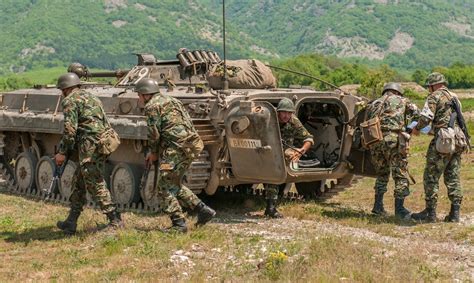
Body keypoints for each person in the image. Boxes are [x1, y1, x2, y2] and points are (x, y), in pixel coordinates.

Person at [136, 78, 216, 233]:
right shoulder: (172, 100)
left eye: (139, 95)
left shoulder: (152, 106)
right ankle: (203, 210)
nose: (139, 98)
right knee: (174, 183)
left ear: (146, 94)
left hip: (174, 151)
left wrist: (152, 153)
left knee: (163, 188)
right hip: (191, 146)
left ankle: (179, 224)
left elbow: (153, 134)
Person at [55, 73, 123, 235]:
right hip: (102, 143)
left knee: (94, 182)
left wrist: (62, 152)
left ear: (66, 89)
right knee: (79, 182)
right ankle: (71, 222)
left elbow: (70, 131)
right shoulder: (92, 97)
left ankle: (115, 219)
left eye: (61, 90)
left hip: (89, 147)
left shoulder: (70, 100)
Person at [411, 72, 466, 222]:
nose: (429, 89)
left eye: (429, 86)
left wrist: (417, 128)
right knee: (453, 176)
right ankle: (455, 214)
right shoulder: (455, 96)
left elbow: (426, 117)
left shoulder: (434, 96)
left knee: (431, 176)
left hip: (443, 141)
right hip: (457, 139)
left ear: (433, 85)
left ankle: (430, 213)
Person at [367, 83, 419, 219]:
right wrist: (409, 129)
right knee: (400, 174)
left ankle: (377, 207)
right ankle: (399, 209)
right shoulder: (403, 101)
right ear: (398, 92)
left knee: (381, 174)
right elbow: (418, 114)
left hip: (374, 141)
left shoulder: (374, 103)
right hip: (393, 140)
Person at [263, 98, 314, 218]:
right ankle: (270, 207)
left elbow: (309, 138)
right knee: (275, 171)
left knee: (280, 166)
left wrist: (302, 151)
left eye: (289, 113)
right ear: (278, 112)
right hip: (265, 148)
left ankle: (271, 206)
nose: (286, 116)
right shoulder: (269, 119)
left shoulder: (293, 121)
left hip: (283, 150)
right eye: (284, 112)